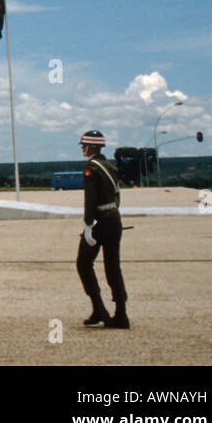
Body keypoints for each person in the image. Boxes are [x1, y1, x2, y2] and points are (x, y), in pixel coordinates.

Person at [76, 130, 129, 328]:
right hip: (114, 218)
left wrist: (88, 226)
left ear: (91, 147)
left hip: (100, 222)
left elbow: (89, 200)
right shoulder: (110, 166)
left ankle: (99, 309)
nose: (82, 148)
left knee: (83, 263)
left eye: (84, 145)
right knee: (113, 267)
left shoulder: (91, 167)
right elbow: (116, 197)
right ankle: (121, 314)